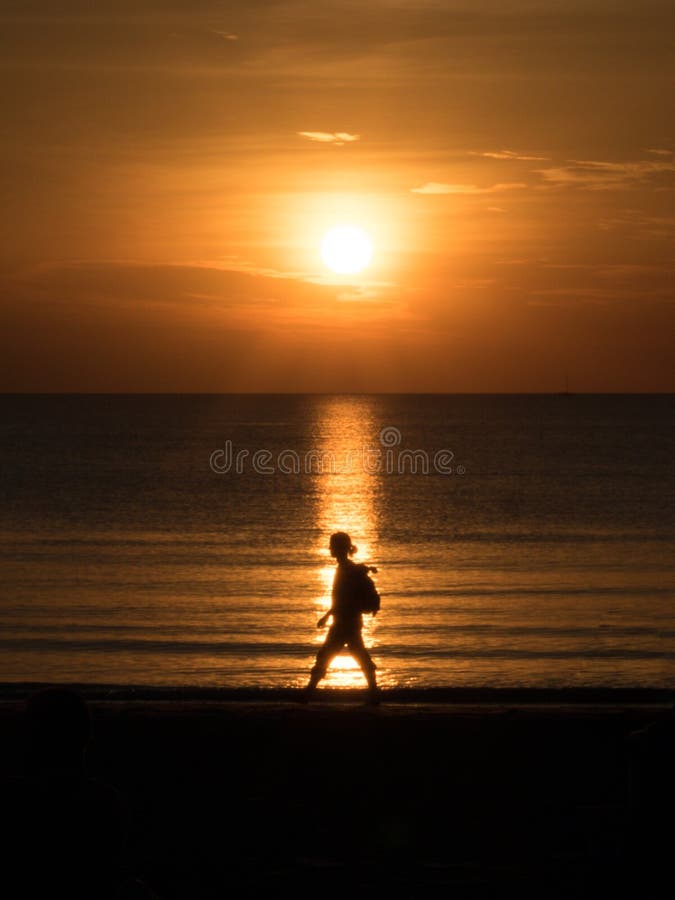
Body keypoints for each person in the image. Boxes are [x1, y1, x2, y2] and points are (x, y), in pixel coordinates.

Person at [303, 531, 380, 704]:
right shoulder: (346, 569)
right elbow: (341, 599)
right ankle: (374, 694)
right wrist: (327, 616)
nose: (330, 549)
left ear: (339, 548)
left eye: (333, 546)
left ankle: (307, 695)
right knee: (356, 655)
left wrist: (329, 616)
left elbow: (344, 600)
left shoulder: (346, 570)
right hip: (348, 621)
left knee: (326, 655)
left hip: (345, 623)